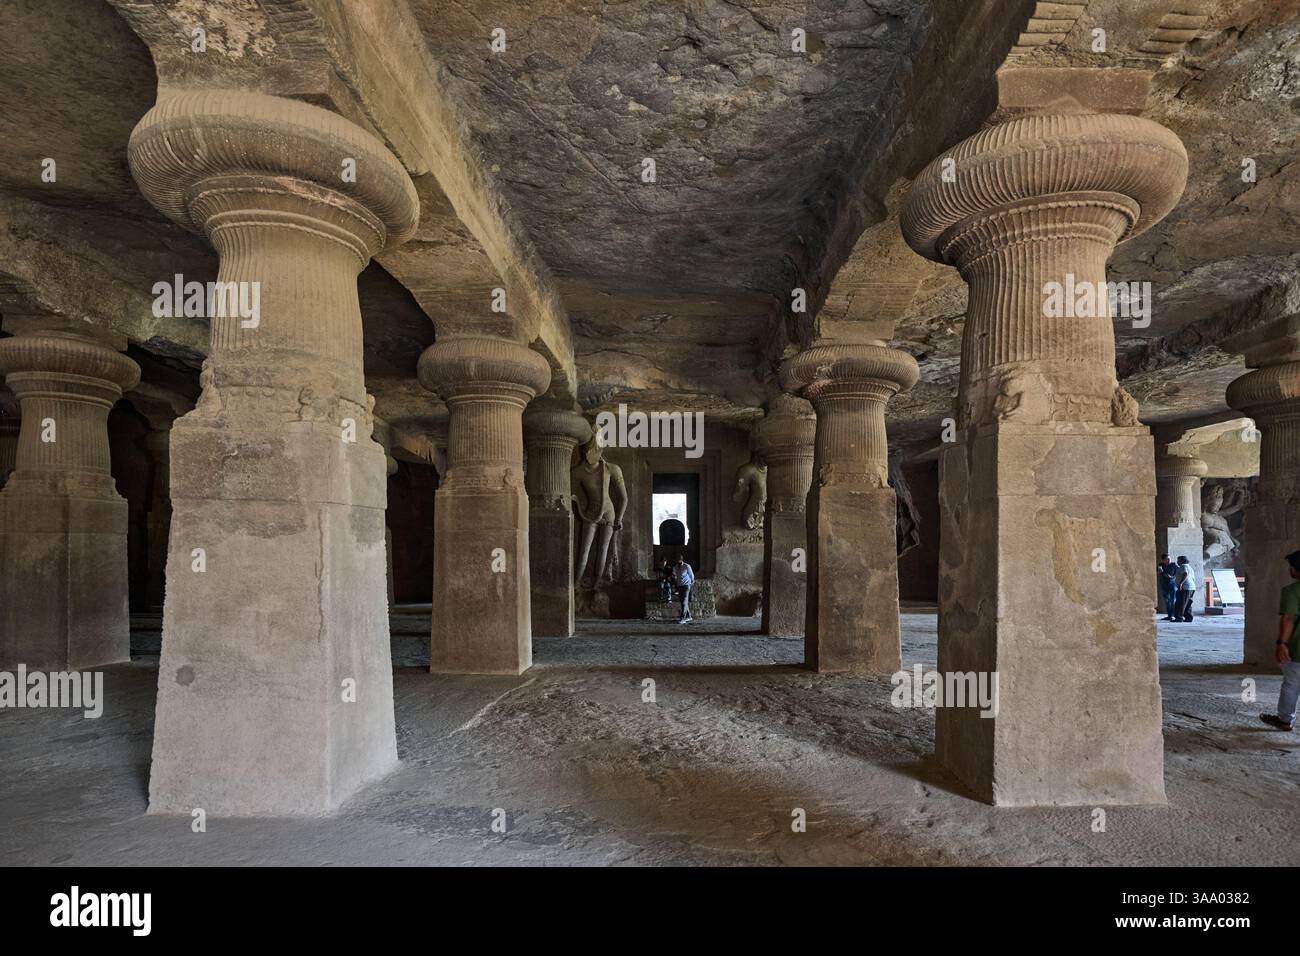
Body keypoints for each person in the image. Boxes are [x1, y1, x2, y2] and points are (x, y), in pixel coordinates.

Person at [1261, 549, 1300, 732]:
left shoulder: (1292, 591)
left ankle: (1285, 719)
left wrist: (1281, 643)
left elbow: (1289, 619)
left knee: (1291, 683)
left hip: (1297, 648)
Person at [672, 554, 695, 624]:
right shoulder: (675, 567)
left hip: (686, 586)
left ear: (681, 560)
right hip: (680, 586)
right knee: (683, 602)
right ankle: (689, 616)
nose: (677, 560)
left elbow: (691, 575)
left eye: (678, 559)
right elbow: (675, 575)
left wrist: (691, 583)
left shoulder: (686, 566)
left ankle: (683, 618)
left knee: (684, 602)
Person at [1173, 556, 1196, 622]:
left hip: (1185, 588)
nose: (1177, 562)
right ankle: (1189, 618)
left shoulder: (1184, 566)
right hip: (1191, 588)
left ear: (1181, 561)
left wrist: (1181, 583)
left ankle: (1179, 618)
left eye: (1178, 560)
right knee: (1188, 603)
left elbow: (1185, 573)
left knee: (1181, 603)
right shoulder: (1190, 567)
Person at [1158, 554, 1178, 621]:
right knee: (1167, 601)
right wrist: (1160, 572)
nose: (1169, 560)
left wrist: (1172, 577)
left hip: (1173, 584)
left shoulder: (1173, 565)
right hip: (1164, 585)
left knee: (1172, 601)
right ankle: (1169, 615)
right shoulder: (1160, 565)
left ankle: (1173, 615)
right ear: (1163, 560)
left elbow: (1178, 574)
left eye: (1169, 559)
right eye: (1167, 559)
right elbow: (1157, 572)